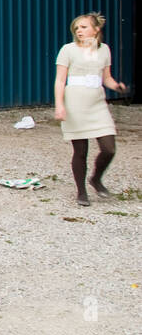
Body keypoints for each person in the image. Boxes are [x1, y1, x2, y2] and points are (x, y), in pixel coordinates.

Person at [54, 13, 129, 206]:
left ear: (96, 29)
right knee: (80, 151)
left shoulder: (104, 50)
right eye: (77, 27)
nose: (79, 30)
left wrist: (116, 86)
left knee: (109, 148)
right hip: (74, 103)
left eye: (84, 27)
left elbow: (106, 78)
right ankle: (82, 192)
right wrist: (60, 105)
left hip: (97, 103)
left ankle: (96, 178)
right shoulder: (67, 50)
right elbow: (60, 80)